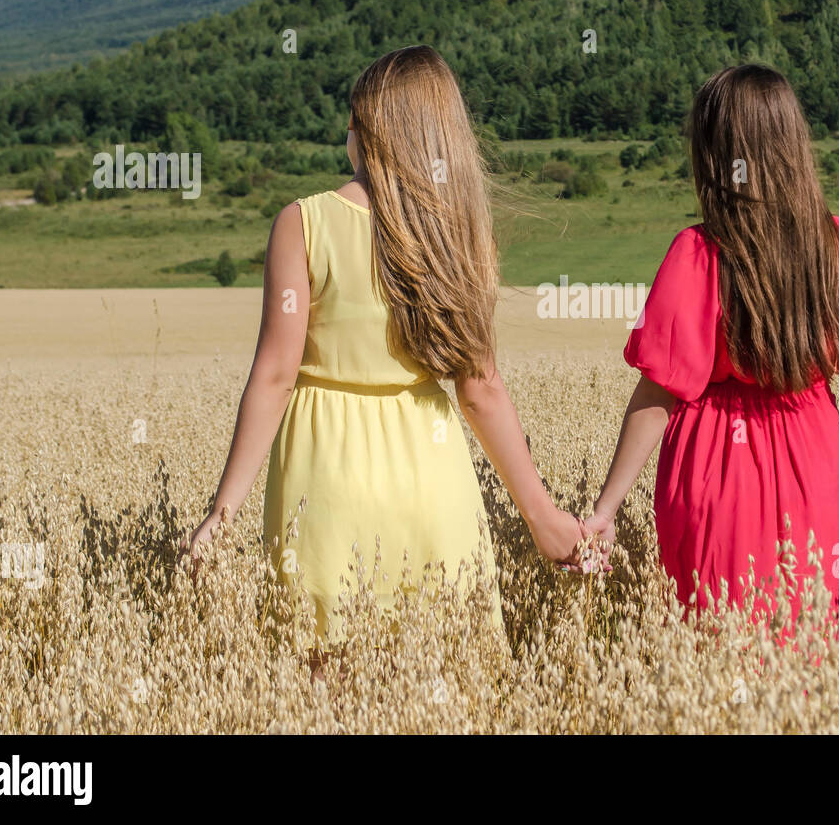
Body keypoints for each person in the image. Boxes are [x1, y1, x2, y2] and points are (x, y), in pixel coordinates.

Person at [189, 45, 587, 665]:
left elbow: (273, 377)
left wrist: (221, 513)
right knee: (444, 689)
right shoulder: (460, 232)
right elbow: (480, 389)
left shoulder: (303, 223)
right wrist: (542, 517)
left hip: (322, 482)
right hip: (434, 479)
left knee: (326, 688)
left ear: (363, 132)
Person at [586, 64, 839, 637]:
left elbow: (660, 388)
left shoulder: (697, 253)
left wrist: (605, 510)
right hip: (814, 462)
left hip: (712, 465)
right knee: (806, 640)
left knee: (717, 644)